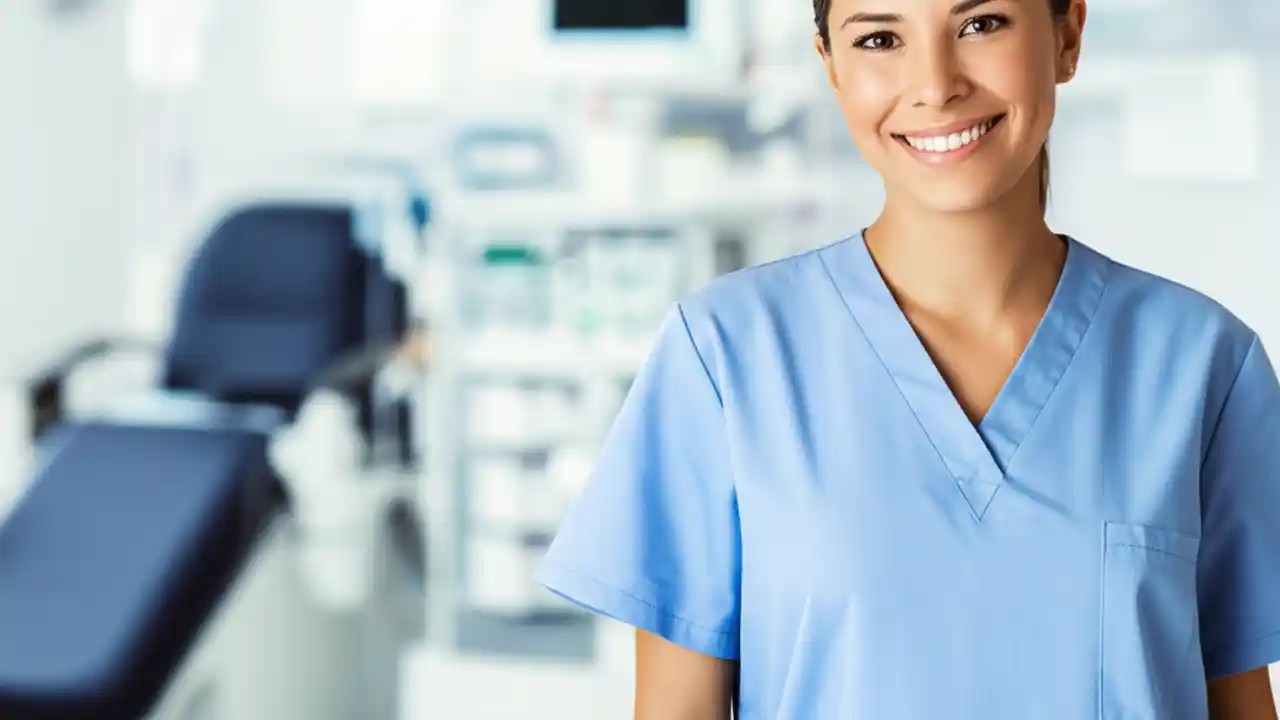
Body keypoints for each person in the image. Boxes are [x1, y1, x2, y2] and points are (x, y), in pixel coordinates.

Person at [534, 0, 1280, 716]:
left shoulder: (1202, 367)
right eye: (879, 39)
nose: (935, 84)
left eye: (981, 23)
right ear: (829, 62)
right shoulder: (726, 358)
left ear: (1067, 36)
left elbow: (1238, 704)